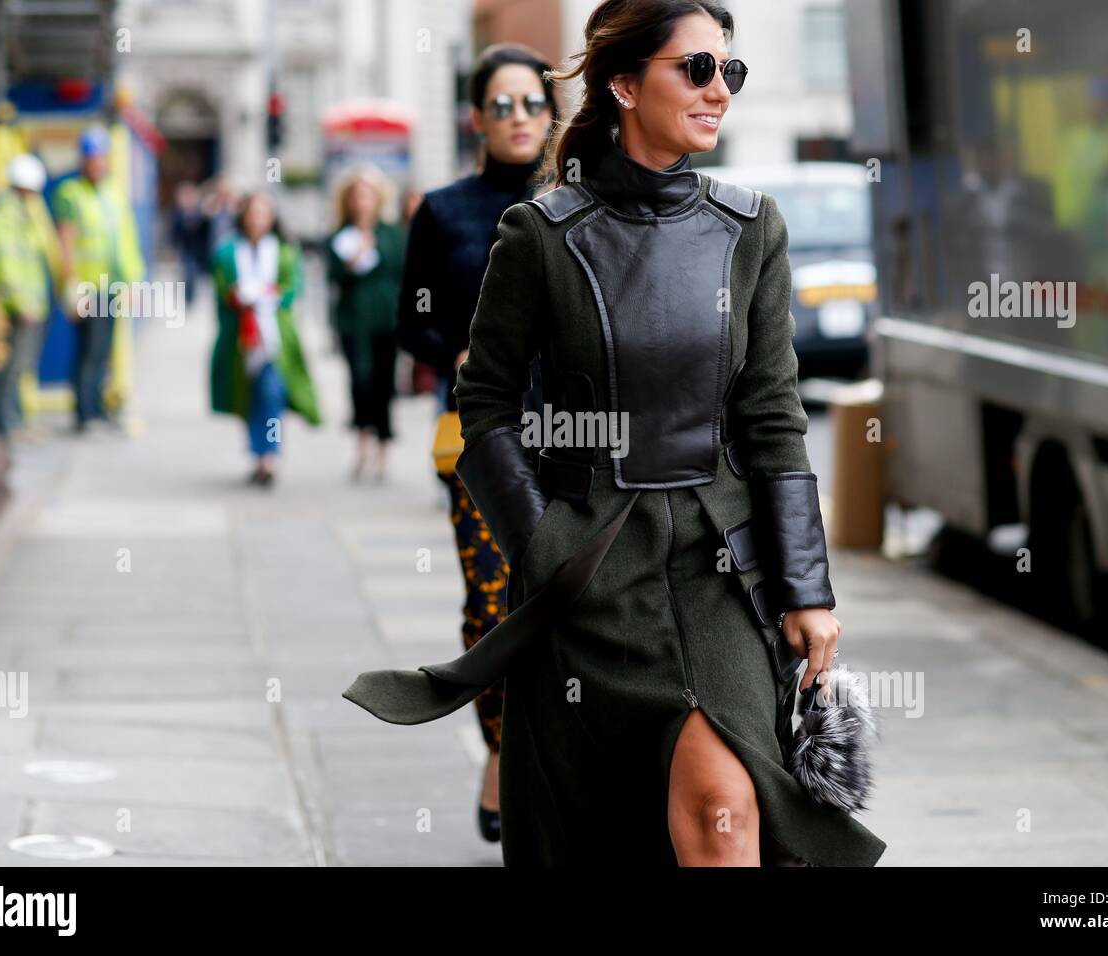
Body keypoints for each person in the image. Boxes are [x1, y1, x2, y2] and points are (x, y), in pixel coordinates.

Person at [346, 0, 887, 867]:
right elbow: (483, 404)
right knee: (610, 834)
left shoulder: (752, 230)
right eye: (697, 69)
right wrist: (542, 541)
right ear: (626, 84)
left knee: (725, 814)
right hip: (592, 574)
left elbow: (775, 418)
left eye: (730, 71)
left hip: (722, 570)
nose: (720, 91)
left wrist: (808, 589)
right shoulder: (541, 235)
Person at [394, 42, 555, 843]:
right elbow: (409, 319)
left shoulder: (580, 200)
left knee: (564, 607)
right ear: (476, 118)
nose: (518, 118)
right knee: (491, 605)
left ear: (552, 113)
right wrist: (451, 353)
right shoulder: (444, 209)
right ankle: (500, 751)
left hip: (575, 438)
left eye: (532, 103)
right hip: (475, 439)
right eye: (502, 105)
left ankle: (556, 764)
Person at [210, 191, 321, 486]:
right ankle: (257, 452)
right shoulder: (228, 252)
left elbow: (293, 289)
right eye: (252, 212)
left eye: (263, 213)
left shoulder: (284, 251)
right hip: (241, 337)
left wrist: (269, 295)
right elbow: (222, 290)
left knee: (271, 393)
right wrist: (238, 296)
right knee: (247, 396)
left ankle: (269, 456)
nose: (257, 219)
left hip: (274, 337)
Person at [52, 124, 145, 432]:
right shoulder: (70, 194)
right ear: (83, 160)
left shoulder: (113, 193)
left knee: (103, 352)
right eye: (92, 158)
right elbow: (65, 241)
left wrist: (132, 282)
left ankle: (98, 408)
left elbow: (126, 241)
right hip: (88, 288)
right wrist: (72, 285)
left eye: (101, 158)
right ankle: (85, 414)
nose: (97, 164)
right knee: (88, 351)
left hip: (111, 287)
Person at [0, 153, 62, 442]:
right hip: (15, 307)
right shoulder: (2, 216)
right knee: (12, 366)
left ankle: (16, 419)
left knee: (21, 365)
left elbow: (39, 250)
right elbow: (5, 266)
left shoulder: (24, 213)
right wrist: (22, 304)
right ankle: (5, 423)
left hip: (30, 305)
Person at [327, 167, 406, 481]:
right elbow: (333, 276)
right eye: (357, 196)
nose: (363, 202)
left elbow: (402, 272)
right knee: (359, 382)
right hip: (353, 320)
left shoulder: (391, 234)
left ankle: (383, 451)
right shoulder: (340, 235)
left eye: (368, 195)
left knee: (384, 384)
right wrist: (350, 262)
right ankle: (361, 446)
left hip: (386, 319)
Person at [170, 181, 209, 306]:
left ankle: (191, 297)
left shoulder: (199, 213)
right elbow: (175, 233)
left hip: (197, 250)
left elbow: (204, 230)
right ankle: (188, 298)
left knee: (194, 275)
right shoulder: (178, 214)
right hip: (186, 250)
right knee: (188, 273)